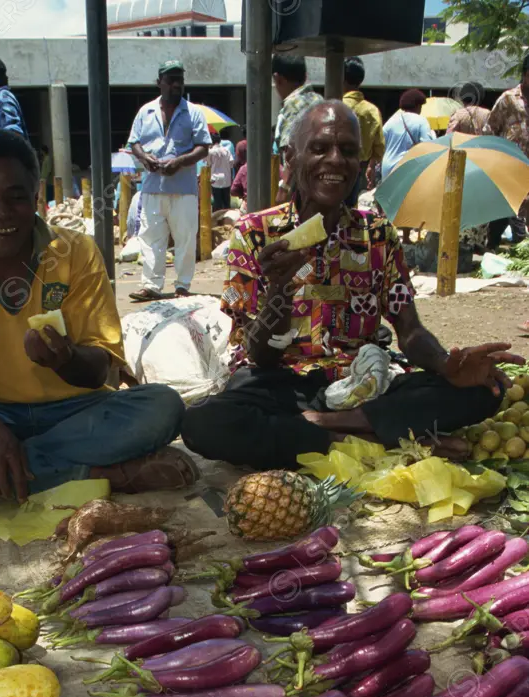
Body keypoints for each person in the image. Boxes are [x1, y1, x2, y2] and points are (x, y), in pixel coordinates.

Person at [181, 102, 523, 471]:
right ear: (291, 157)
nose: (335, 161)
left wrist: (446, 364)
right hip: (280, 384)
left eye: (347, 151)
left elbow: (409, 330)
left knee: (485, 391)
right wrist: (279, 292)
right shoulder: (253, 235)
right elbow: (259, 354)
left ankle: (330, 428)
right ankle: (364, 440)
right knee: (204, 423)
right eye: (320, 148)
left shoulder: (377, 233)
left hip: (364, 383)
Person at [0, 129, 195, 505]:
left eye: (17, 198)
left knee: (162, 407)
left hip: (74, 413)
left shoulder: (75, 251)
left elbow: (100, 368)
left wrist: (66, 359)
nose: (3, 213)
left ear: (37, 197)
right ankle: (99, 475)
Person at [127, 59, 211, 301]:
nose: (176, 85)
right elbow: (134, 143)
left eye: (180, 80)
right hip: (152, 187)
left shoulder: (193, 112)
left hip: (183, 188)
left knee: (185, 237)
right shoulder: (145, 111)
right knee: (151, 238)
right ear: (159, 83)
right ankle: (151, 286)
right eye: (171, 80)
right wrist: (145, 158)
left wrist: (179, 162)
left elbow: (204, 147)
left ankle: (182, 285)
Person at [485, 55, 529, 250]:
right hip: (509, 164)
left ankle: (503, 245)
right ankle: (496, 245)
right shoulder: (509, 99)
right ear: (525, 75)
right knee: (508, 205)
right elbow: (490, 128)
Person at [273, 54, 322, 201]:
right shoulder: (320, 100)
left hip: (303, 189)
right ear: (305, 76)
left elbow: (292, 151)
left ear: (277, 78)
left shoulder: (293, 105)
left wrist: (284, 189)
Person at [342, 56, 384, 192]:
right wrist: (371, 165)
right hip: (358, 169)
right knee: (350, 210)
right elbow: (379, 148)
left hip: (333, 168)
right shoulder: (372, 110)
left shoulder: (334, 105)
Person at [381, 90, 436, 179]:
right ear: (418, 106)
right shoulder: (421, 121)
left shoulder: (391, 121)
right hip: (407, 169)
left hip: (387, 169)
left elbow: (381, 144)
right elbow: (428, 146)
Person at [207, 130, 234, 211]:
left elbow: (208, 164)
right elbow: (231, 164)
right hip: (226, 179)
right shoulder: (227, 150)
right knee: (226, 203)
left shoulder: (210, 152)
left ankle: (217, 222)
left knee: (217, 203)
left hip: (215, 180)